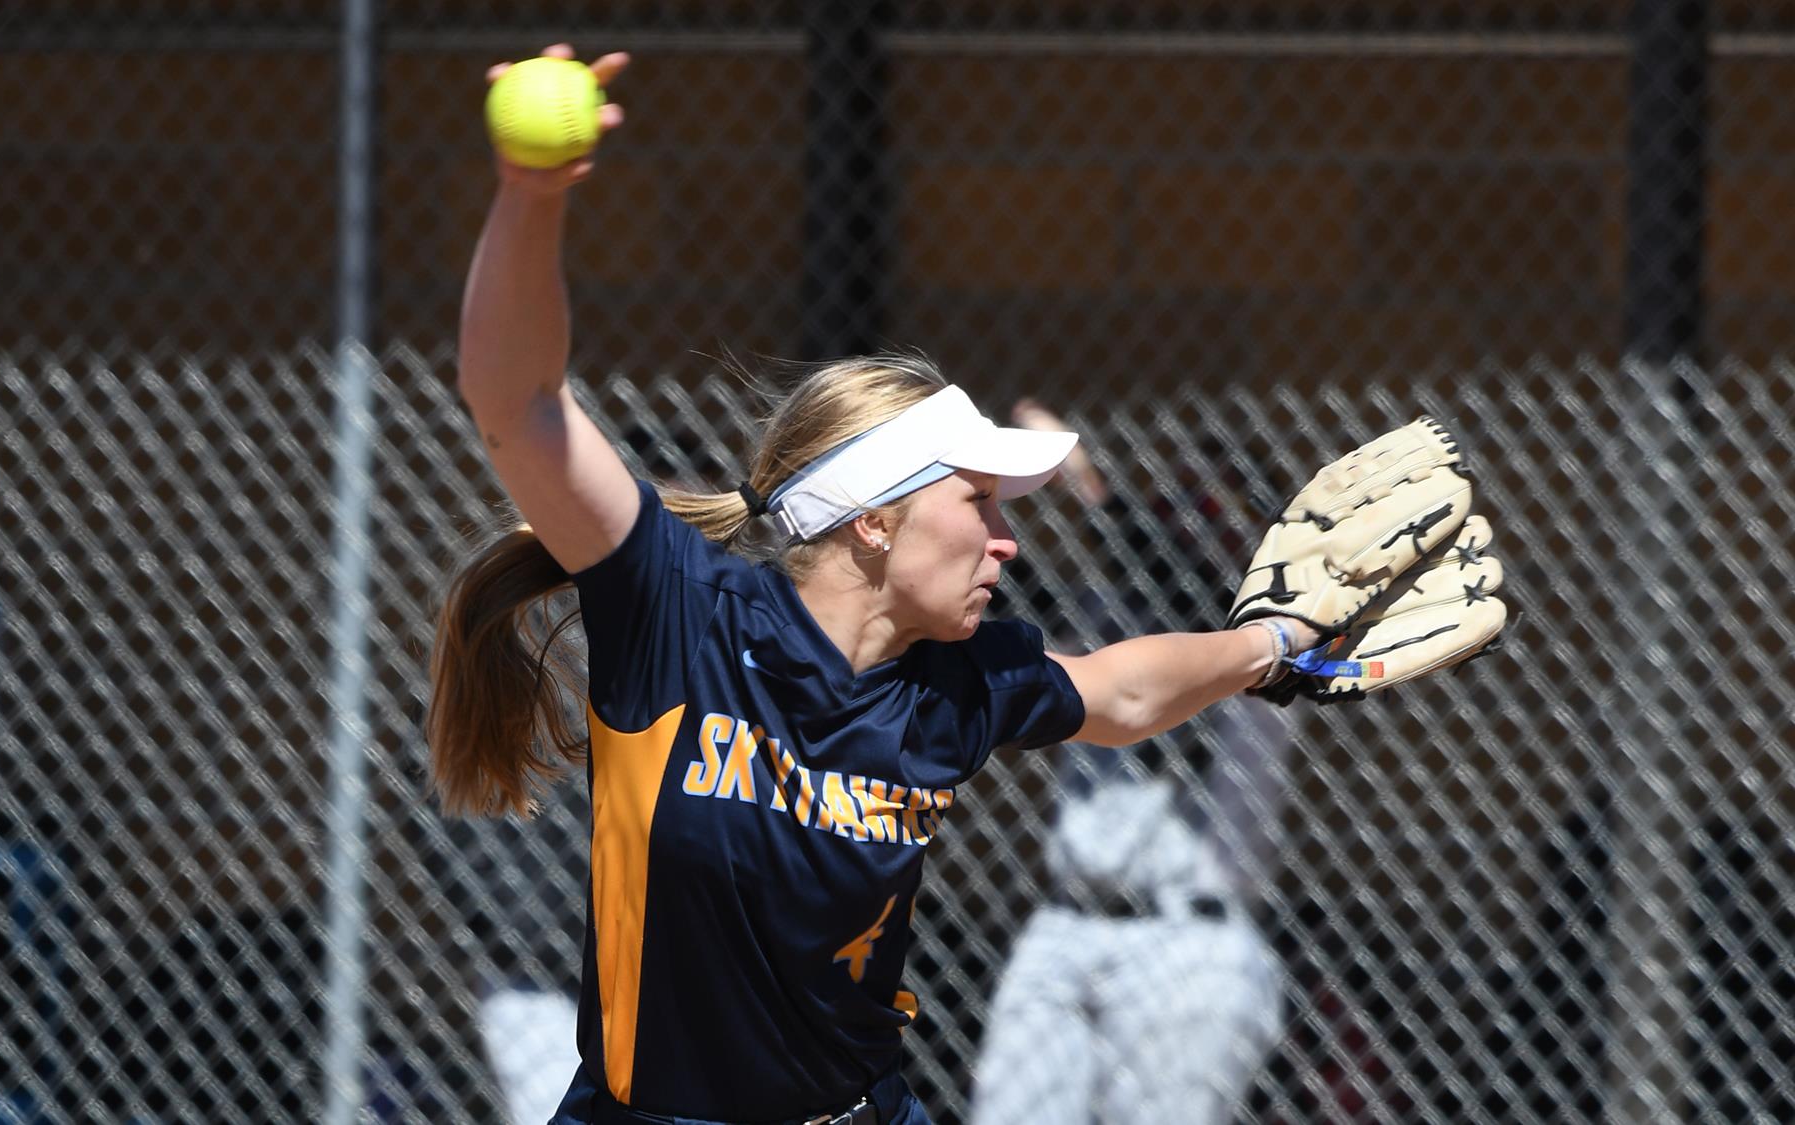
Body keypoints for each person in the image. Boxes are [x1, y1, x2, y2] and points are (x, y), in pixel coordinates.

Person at [425, 44, 1322, 1125]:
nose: (1005, 541)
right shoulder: (682, 615)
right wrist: (528, 198)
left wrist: (1277, 644)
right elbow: (514, 401)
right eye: (978, 504)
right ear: (874, 518)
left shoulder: (958, 678)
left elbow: (1122, 693)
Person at [971, 400, 1293, 1125]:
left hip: (1189, 944)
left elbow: (1176, 579)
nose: (1192, 529)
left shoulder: (1258, 637)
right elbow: (1000, 608)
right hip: (1065, 924)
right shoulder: (1112, 609)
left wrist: (1086, 482)